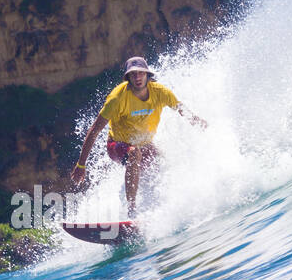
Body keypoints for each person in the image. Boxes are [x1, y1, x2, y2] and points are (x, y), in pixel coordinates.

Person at [70, 57, 208, 217]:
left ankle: (161, 207)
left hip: (144, 144)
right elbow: (94, 130)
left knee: (162, 164)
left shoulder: (161, 92)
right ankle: (131, 212)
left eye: (141, 73)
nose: (137, 77)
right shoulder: (117, 98)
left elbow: (181, 109)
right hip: (117, 146)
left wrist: (199, 123)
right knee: (135, 154)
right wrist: (81, 164)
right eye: (133, 74)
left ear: (147, 74)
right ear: (128, 78)